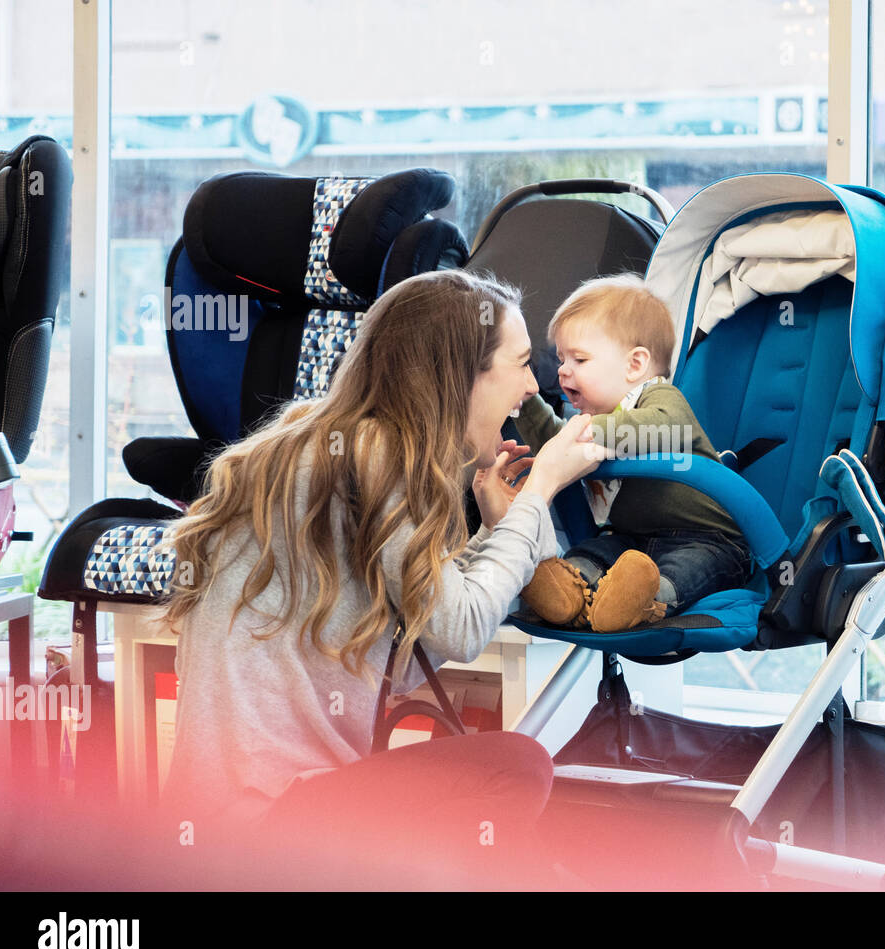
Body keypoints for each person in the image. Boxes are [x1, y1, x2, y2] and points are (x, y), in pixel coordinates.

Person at [153, 269, 602, 886]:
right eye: (521, 364)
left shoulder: (332, 443)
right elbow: (463, 629)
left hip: (239, 828)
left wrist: (494, 530)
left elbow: (403, 648)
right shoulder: (376, 452)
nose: (532, 386)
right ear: (460, 376)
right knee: (517, 764)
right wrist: (541, 489)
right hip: (268, 825)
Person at [513, 274, 752, 633]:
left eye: (579, 358)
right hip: (629, 541)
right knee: (595, 555)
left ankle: (644, 600)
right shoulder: (592, 419)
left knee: (687, 569)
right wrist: (529, 403)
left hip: (706, 537)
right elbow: (556, 447)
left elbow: (667, 426)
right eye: (561, 359)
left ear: (635, 365)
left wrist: (593, 432)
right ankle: (569, 592)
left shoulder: (660, 399)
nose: (563, 370)